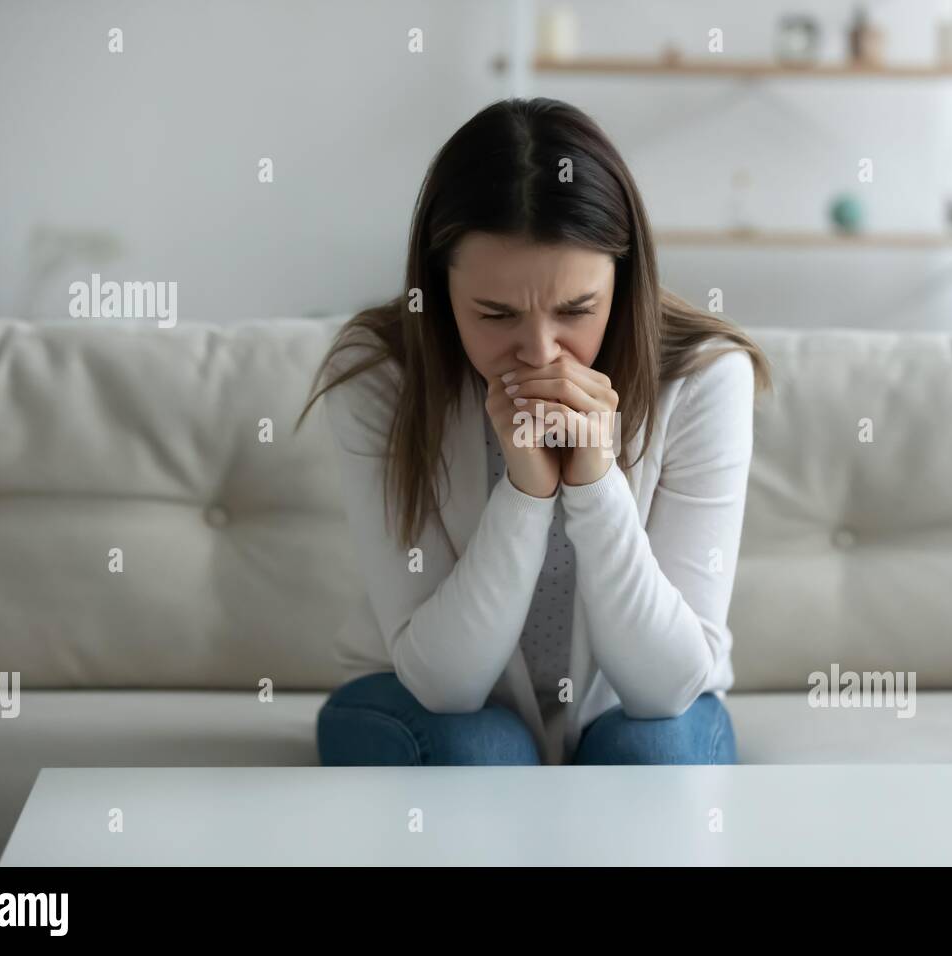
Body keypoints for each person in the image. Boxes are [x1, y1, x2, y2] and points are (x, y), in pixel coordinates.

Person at [296, 97, 772, 766]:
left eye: (577, 309)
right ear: (438, 289)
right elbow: (444, 684)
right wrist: (524, 494)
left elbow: (666, 688)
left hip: (631, 708)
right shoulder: (380, 373)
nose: (541, 354)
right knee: (484, 752)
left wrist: (596, 479)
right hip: (415, 696)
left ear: (624, 281)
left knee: (655, 751)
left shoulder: (703, 376)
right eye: (494, 314)